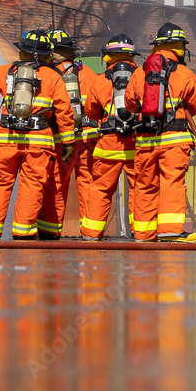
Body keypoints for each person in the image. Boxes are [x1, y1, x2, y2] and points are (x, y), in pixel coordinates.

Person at [0, 29, 75, 240]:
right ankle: (23, 233)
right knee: (32, 185)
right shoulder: (54, 77)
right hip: (38, 144)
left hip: (5, 140)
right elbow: (64, 111)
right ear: (47, 54)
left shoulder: (7, 72)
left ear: (22, 51)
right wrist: (68, 142)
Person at [124, 22, 196, 242]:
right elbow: (195, 105)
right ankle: (170, 231)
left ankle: (143, 233)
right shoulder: (185, 73)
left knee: (145, 184)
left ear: (156, 46)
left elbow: (129, 103)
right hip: (174, 140)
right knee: (172, 182)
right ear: (180, 48)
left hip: (145, 140)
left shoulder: (140, 72)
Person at [36, 28, 99, 240]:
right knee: (89, 182)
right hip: (89, 137)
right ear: (71, 51)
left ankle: (50, 231)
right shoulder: (89, 74)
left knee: (57, 183)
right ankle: (90, 232)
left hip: (62, 139)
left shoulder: (47, 75)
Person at [81, 34, 141, 240]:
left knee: (100, 188)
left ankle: (91, 233)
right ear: (132, 56)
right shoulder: (143, 76)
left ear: (107, 56)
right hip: (137, 142)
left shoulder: (99, 80)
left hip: (108, 143)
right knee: (139, 188)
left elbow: (90, 111)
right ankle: (140, 231)